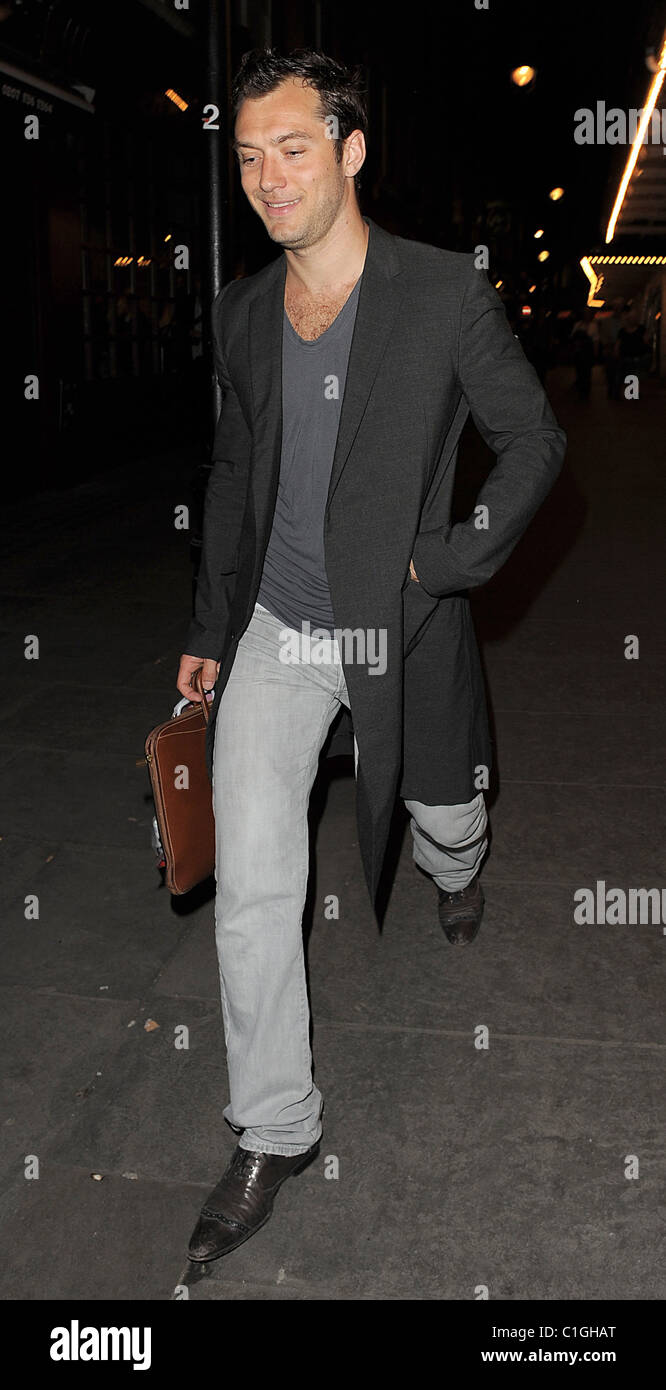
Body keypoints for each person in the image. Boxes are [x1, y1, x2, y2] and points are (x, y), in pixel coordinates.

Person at [176, 47, 567, 1264]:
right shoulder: (245, 309)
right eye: (247, 156)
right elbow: (239, 476)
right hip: (281, 633)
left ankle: (460, 867)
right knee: (254, 886)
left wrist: (439, 563)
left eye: (293, 147)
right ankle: (274, 1125)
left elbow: (535, 444)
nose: (268, 176)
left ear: (350, 150)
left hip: (401, 628)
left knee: (446, 817)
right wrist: (207, 627)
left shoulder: (444, 292)